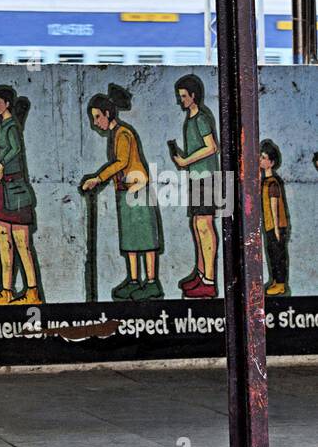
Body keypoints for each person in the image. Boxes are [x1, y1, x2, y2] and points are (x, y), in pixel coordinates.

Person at [80, 83, 163, 301]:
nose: (95, 122)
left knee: (145, 240)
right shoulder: (115, 134)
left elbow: (121, 162)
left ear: (107, 114)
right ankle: (134, 280)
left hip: (138, 190)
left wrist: (98, 178)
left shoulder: (123, 134)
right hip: (125, 191)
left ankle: (152, 282)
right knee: (130, 240)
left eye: (97, 117)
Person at [0, 85, 42, 307]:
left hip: (16, 189)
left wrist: (1, 164)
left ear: (8, 103)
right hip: (2, 189)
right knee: (3, 242)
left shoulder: (12, 127)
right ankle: (7, 291)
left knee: (21, 243)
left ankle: (32, 291)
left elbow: (15, 149)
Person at [170, 75, 221, 299]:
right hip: (197, 177)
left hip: (207, 177)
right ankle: (201, 274)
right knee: (196, 224)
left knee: (204, 224)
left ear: (193, 96)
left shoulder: (201, 118)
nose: (180, 100)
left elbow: (212, 147)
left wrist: (185, 161)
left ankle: (209, 280)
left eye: (183, 96)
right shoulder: (190, 119)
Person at [259, 139, 290, 297]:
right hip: (270, 226)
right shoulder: (264, 182)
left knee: (278, 255)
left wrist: (277, 229)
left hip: (277, 226)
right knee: (272, 253)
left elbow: (274, 207)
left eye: (263, 158)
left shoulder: (272, 183)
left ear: (271, 162)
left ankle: (281, 284)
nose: (260, 160)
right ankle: (276, 281)